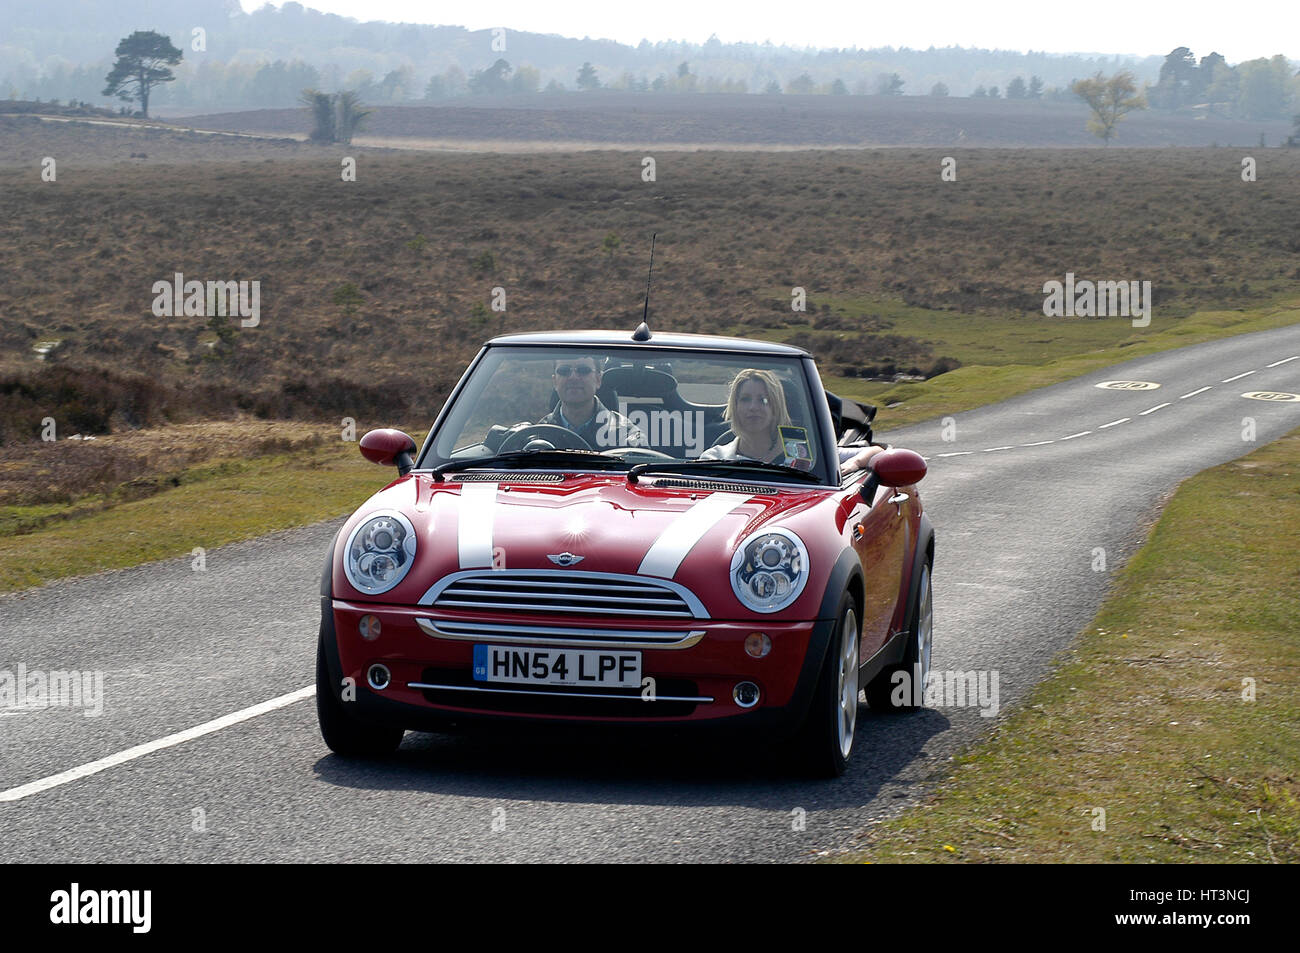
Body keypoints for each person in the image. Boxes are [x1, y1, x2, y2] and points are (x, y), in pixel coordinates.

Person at [700, 367, 885, 474]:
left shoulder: (804, 453)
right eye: (745, 399)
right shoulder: (713, 459)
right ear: (735, 407)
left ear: (775, 408)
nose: (753, 407)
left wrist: (855, 464)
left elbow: (876, 451)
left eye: (763, 401)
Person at [537, 355, 645, 449]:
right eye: (564, 371)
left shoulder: (626, 436)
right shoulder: (538, 436)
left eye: (583, 370)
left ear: (598, 379)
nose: (573, 377)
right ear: (555, 381)